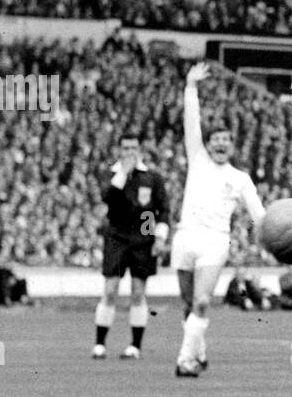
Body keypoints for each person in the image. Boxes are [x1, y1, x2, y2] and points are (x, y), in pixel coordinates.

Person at [170, 61, 265, 377]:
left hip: (214, 242)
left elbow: (258, 215)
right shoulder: (197, 159)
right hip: (185, 238)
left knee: (201, 301)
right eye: (216, 139)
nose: (221, 144)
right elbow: (191, 122)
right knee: (187, 305)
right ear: (208, 144)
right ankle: (199, 351)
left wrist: (276, 231)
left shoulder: (240, 178)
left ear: (232, 145)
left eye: (226, 140)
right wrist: (191, 87)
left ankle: (185, 360)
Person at [93, 132, 170, 359]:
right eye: (125, 148)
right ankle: (100, 344)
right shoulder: (110, 174)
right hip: (117, 237)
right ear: (119, 150)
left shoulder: (152, 178)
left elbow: (163, 210)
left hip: (143, 239)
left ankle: (135, 346)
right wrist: (123, 173)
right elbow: (107, 197)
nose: (129, 153)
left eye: (133, 148)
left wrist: (160, 238)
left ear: (140, 150)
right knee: (110, 289)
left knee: (138, 292)